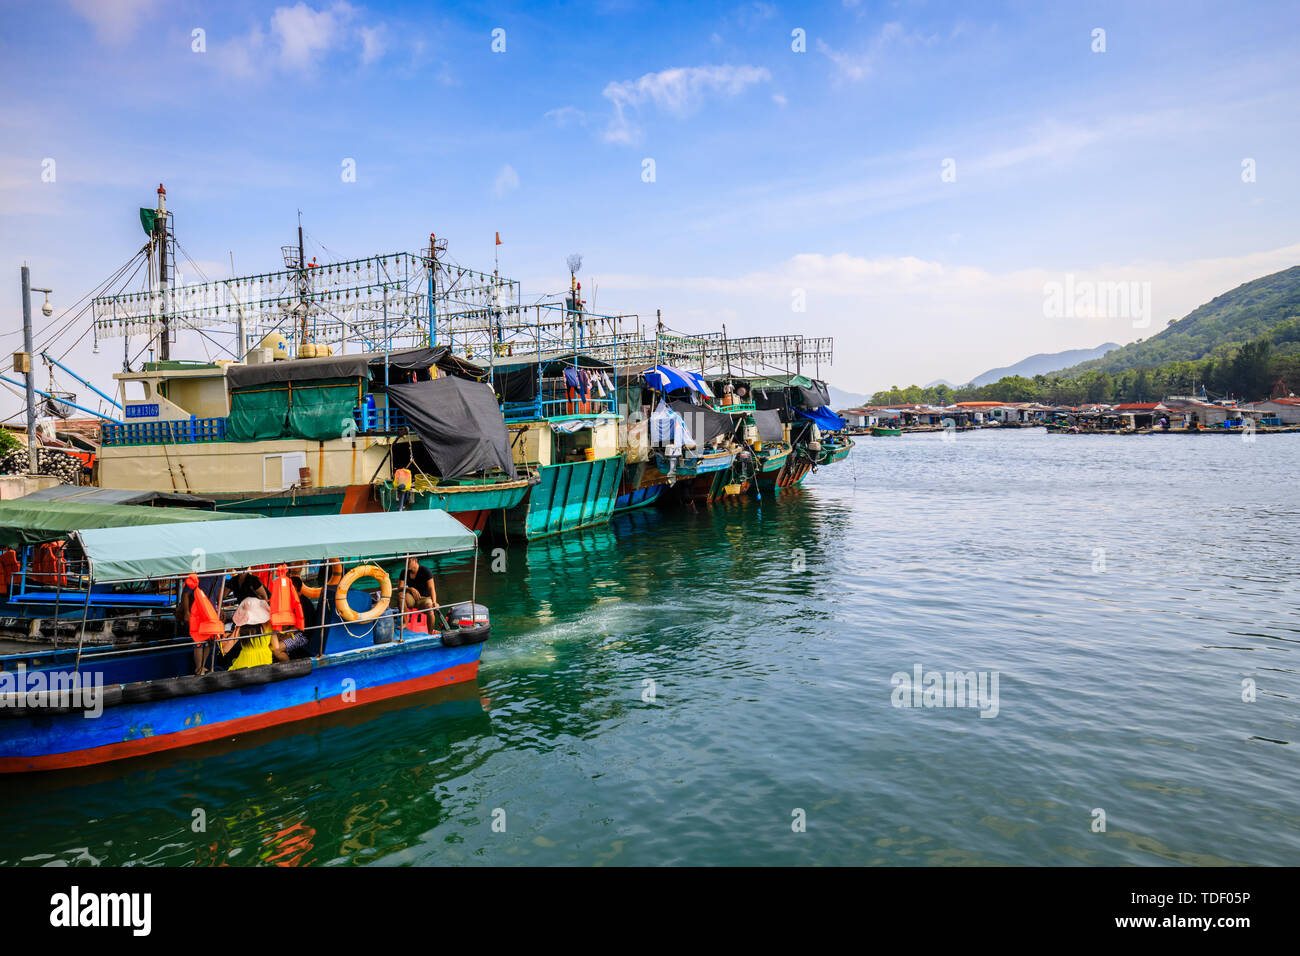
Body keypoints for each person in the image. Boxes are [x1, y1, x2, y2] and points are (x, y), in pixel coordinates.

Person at [216, 597, 287, 671]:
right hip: (266, 660)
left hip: (245, 664)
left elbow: (225, 650)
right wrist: (263, 649)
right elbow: (276, 646)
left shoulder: (241, 627)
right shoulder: (269, 624)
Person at [395, 556, 439, 632]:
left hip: (425, 599)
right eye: (405, 562)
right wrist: (410, 589)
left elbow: (432, 588)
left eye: (408, 562)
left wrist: (434, 602)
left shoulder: (425, 571)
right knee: (400, 595)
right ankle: (405, 623)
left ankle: (430, 633)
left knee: (430, 609)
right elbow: (400, 588)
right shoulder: (404, 572)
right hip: (412, 598)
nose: (406, 564)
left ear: (415, 560)